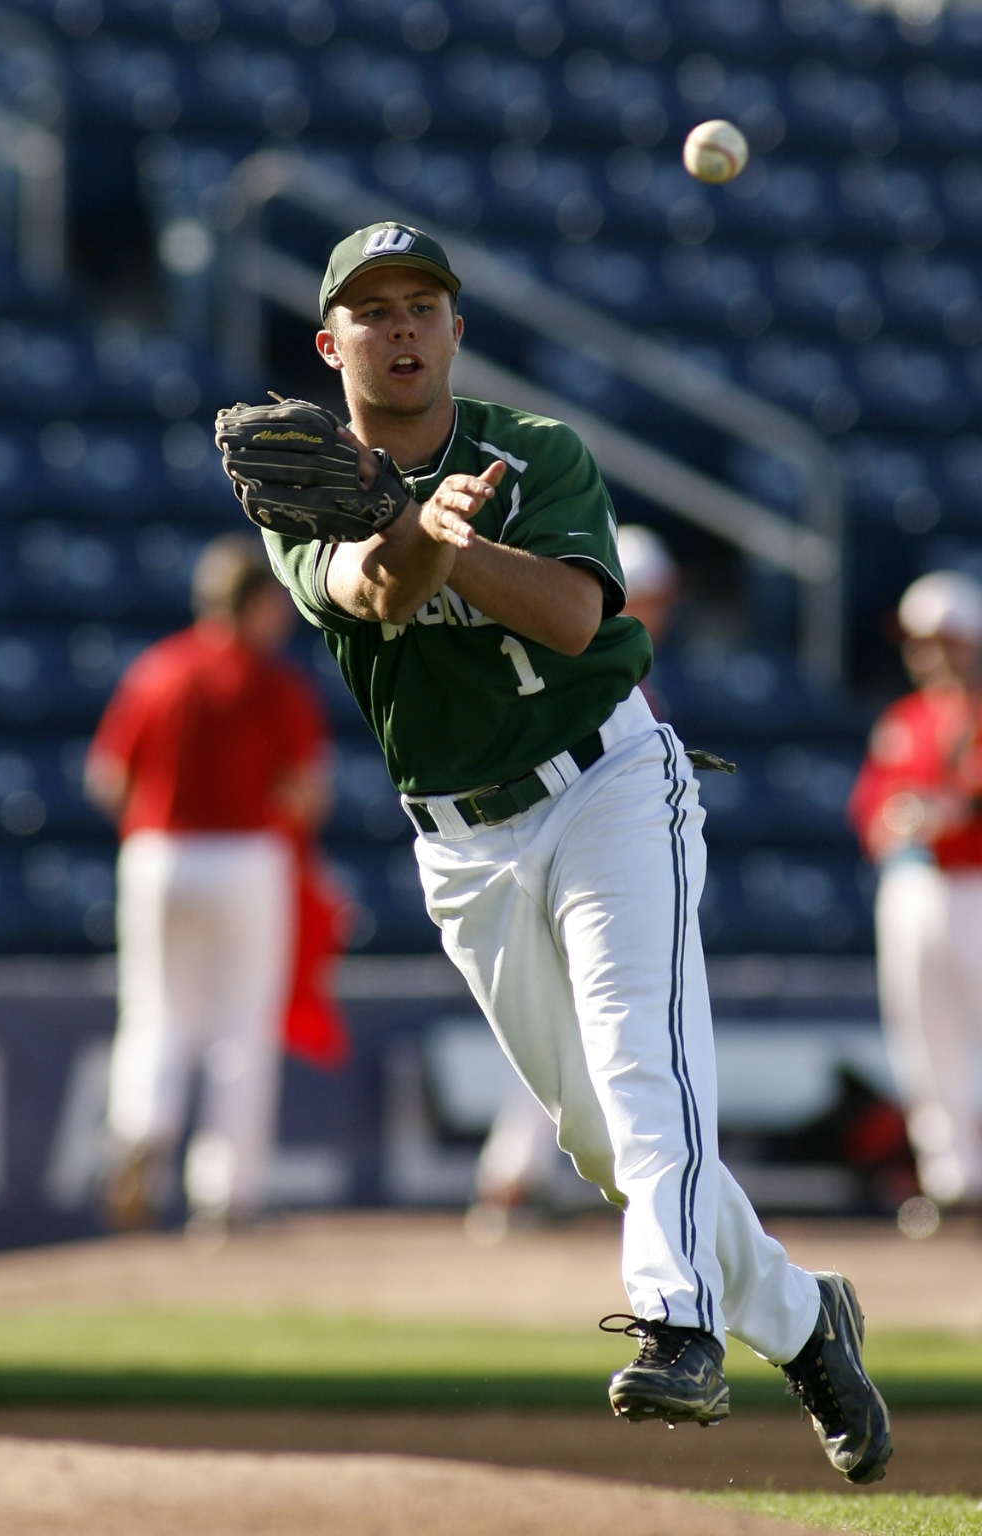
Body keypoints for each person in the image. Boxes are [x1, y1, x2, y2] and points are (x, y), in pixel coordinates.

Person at [258, 221, 891, 1480]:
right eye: (371, 309)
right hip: (460, 840)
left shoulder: (532, 450)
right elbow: (373, 595)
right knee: (600, 1140)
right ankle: (802, 1320)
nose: (398, 327)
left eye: (421, 303)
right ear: (329, 342)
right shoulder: (301, 479)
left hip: (604, 781)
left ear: (453, 329)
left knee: (645, 1068)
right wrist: (410, 532)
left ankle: (679, 1328)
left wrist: (451, 531)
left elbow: (566, 613)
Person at [85, 534, 333, 1229]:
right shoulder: (271, 681)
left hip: (156, 855)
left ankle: (140, 1126)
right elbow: (307, 794)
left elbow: (107, 778)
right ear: (252, 603)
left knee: (155, 1014)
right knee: (240, 1031)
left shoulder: (156, 670)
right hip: (245, 859)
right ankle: (225, 1196)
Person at [471, 524, 681, 1222]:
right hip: (567, 859)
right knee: (583, 1027)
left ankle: (522, 1173)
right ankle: (523, 1175)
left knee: (575, 1028)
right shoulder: (589, 662)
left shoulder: (622, 663)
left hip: (556, 855)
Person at [849, 569, 982, 1213]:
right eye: (920, 641)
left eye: (945, 640)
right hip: (911, 886)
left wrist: (952, 811)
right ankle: (951, 1180)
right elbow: (869, 808)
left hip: (974, 884)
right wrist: (895, 823)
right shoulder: (903, 718)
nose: (931, 654)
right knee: (922, 1038)